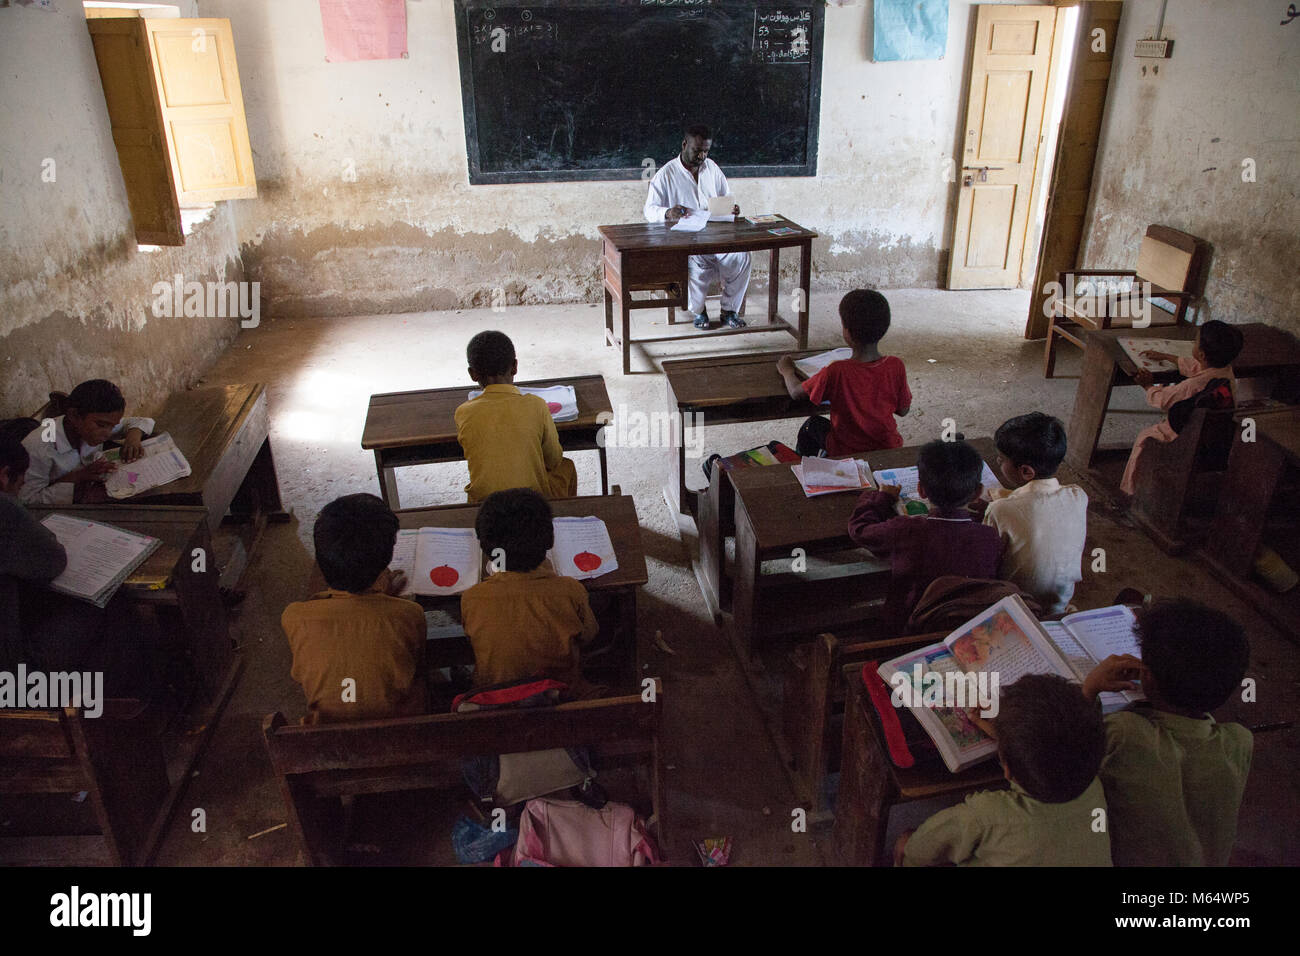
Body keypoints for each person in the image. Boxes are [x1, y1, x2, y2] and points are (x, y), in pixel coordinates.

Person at [1083, 600, 1252, 866]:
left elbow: (1074, 749)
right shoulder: (1240, 741)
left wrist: (1088, 690)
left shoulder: (1125, 732)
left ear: (1146, 677)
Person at [897, 673, 1111, 866]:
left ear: (1007, 770)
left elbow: (921, 850)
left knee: (906, 844)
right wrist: (1011, 739)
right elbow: (1054, 753)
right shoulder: (1093, 786)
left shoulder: (983, 816)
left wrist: (907, 848)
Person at [282, 494, 427, 724]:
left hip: (327, 742)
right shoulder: (408, 614)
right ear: (386, 560)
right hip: (401, 735)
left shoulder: (295, 617)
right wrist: (383, 599)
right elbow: (415, 661)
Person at [847, 439, 1000, 628]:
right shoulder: (989, 537)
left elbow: (860, 530)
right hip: (968, 625)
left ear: (921, 490)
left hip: (908, 626)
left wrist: (882, 498)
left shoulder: (906, 530)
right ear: (978, 493)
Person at [460, 488, 599, 693]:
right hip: (559, 696)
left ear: (487, 550)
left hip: (496, 701)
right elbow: (589, 635)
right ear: (550, 540)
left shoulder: (472, 598)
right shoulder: (571, 591)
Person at [776, 289, 911, 458]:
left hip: (846, 449)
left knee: (811, 425)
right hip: (887, 446)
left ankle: (811, 470)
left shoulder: (837, 370)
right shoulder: (895, 365)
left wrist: (787, 371)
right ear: (885, 328)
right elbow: (903, 410)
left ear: (846, 331)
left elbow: (796, 393)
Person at [644, 123, 749, 330]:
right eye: (697, 151)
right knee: (695, 264)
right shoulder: (666, 174)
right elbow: (649, 210)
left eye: (706, 151)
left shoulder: (712, 168)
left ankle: (729, 310)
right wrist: (667, 212)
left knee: (741, 256)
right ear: (684, 145)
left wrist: (731, 208)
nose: (702, 156)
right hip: (687, 241)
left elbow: (724, 197)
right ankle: (699, 311)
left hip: (716, 236)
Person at [1119, 321, 1243, 495]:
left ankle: (1131, 489)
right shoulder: (1225, 371)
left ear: (1201, 354)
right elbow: (1197, 367)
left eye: (1195, 341)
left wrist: (1148, 386)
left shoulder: (1192, 386)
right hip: (1212, 434)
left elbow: (1163, 399)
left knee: (1145, 438)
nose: (1194, 342)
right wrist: (1168, 357)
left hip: (1184, 435)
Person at [454, 331, 578, 502]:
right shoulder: (537, 405)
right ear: (515, 367)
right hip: (531, 504)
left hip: (485, 508)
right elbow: (554, 460)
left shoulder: (463, 412)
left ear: (472, 374)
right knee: (566, 467)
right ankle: (563, 518)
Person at [983, 412, 1088, 615]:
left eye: (1001, 459)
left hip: (1016, 607)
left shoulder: (1000, 510)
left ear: (1026, 472)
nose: (997, 461)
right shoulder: (1078, 495)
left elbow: (988, 561)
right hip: (1060, 603)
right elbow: (1038, 502)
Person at [20, 379, 153, 505]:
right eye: (102, 425)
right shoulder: (39, 447)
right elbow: (28, 500)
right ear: (74, 415)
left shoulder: (91, 427)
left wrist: (133, 437)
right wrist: (78, 480)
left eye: (112, 426)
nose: (107, 433)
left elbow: (142, 421)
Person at [0, 437, 69, 668]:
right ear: (4, 475)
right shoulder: (5, 508)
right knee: (106, 613)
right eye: (19, 486)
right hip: (5, 667)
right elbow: (53, 561)